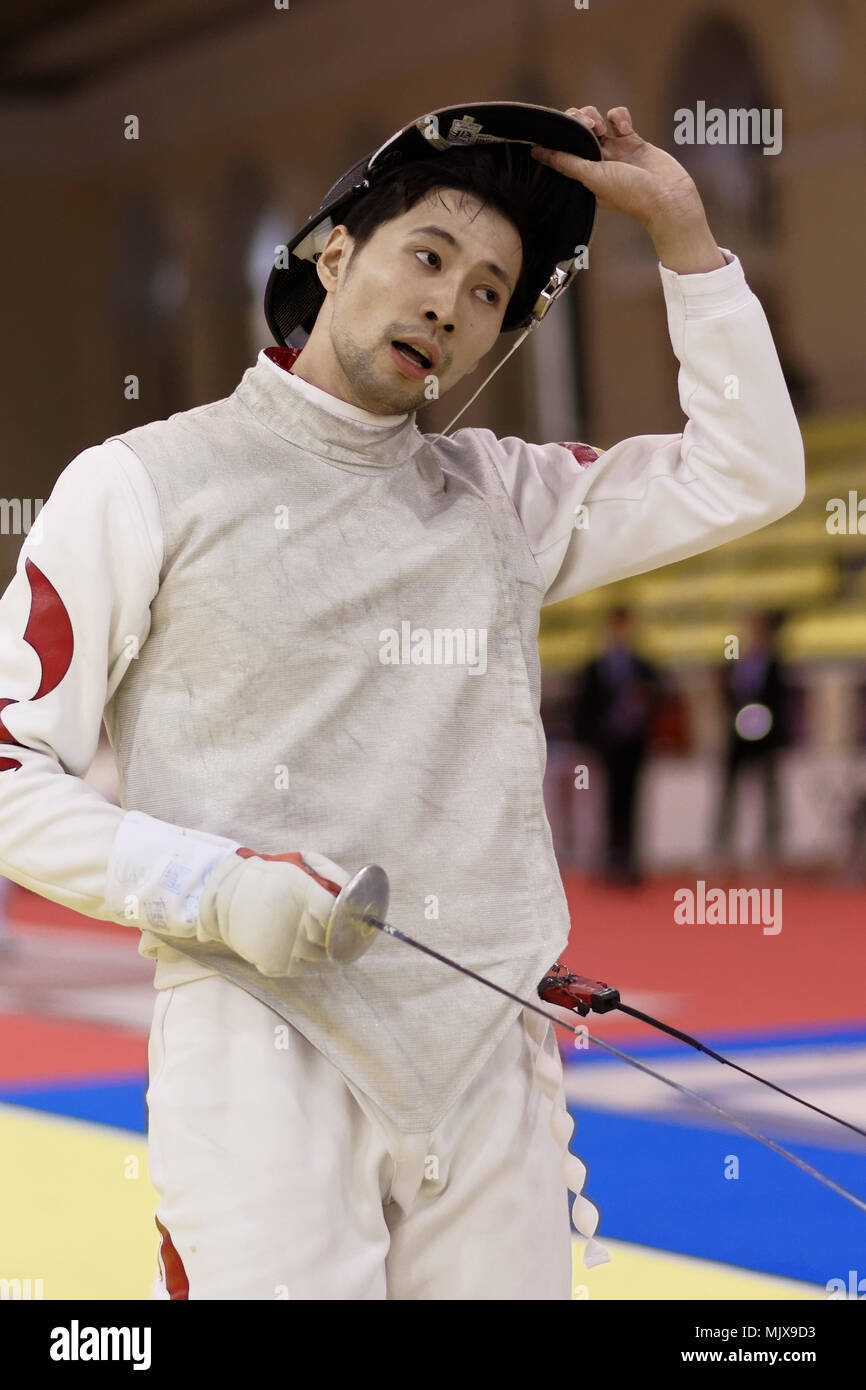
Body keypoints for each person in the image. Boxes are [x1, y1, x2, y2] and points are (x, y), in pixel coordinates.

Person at [0, 101, 805, 1300]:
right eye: (426, 256)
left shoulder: (499, 494)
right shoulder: (140, 485)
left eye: (489, 291)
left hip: (487, 1053)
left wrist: (682, 233)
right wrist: (211, 886)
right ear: (335, 255)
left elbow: (747, 472)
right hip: (257, 1048)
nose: (449, 303)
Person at [573, 606, 660, 885]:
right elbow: (584, 707)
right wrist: (592, 738)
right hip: (606, 746)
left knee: (632, 803)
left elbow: (659, 701)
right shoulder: (595, 666)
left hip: (635, 745)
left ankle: (630, 862)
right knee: (607, 804)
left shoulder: (643, 666)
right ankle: (610, 862)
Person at [714, 609, 787, 871]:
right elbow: (725, 693)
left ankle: (770, 852)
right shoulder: (735, 660)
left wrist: (764, 722)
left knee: (769, 794)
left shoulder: (774, 661)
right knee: (728, 794)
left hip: (767, 737)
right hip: (737, 736)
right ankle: (722, 852)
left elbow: (780, 699)